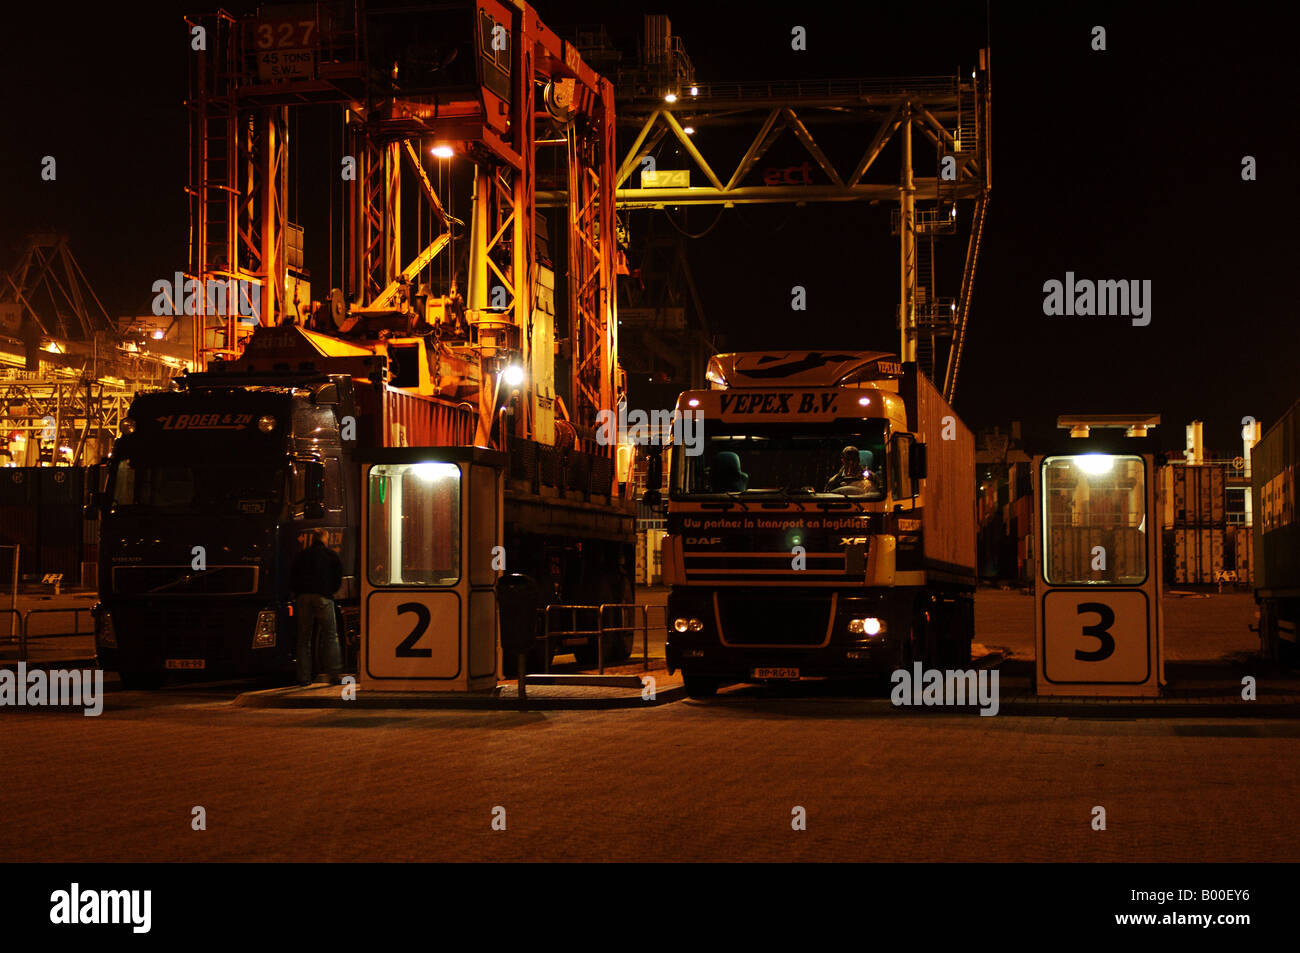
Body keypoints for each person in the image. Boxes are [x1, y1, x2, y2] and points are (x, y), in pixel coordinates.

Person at [290, 530, 344, 686]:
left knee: (303, 638)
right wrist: (330, 592)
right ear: (325, 539)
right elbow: (337, 578)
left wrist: (298, 592)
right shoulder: (331, 555)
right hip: (323, 597)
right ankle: (334, 674)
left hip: (303, 597)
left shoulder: (302, 555)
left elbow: (292, 577)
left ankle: (304, 677)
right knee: (330, 635)